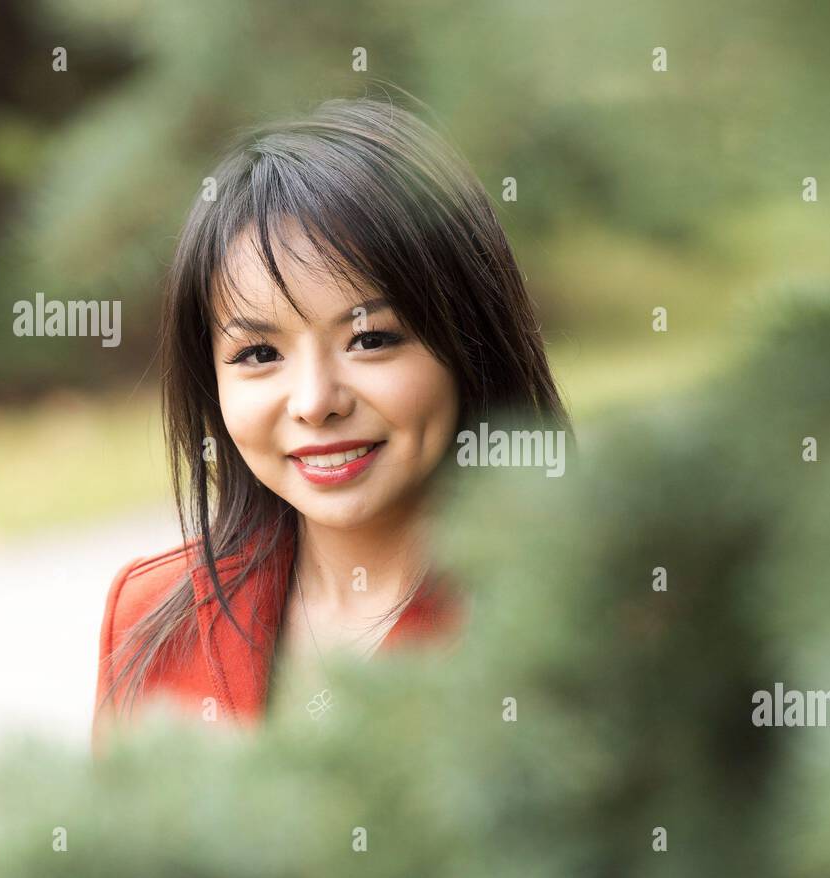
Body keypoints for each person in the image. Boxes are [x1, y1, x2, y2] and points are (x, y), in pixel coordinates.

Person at [92, 93, 571, 749]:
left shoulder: (576, 618)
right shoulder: (150, 618)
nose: (315, 400)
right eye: (260, 353)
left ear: (470, 341)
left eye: (371, 338)